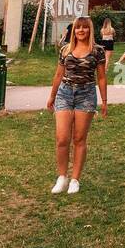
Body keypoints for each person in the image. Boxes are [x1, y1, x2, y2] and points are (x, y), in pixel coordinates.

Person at [45, 16, 107, 195]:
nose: (81, 31)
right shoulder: (65, 50)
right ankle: (62, 177)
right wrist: (52, 96)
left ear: (90, 30)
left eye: (85, 28)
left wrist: (104, 101)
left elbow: (101, 78)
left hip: (86, 95)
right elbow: (58, 75)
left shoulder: (97, 51)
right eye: (78, 28)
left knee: (79, 139)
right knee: (62, 138)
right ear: (74, 30)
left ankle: (75, 179)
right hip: (64, 93)